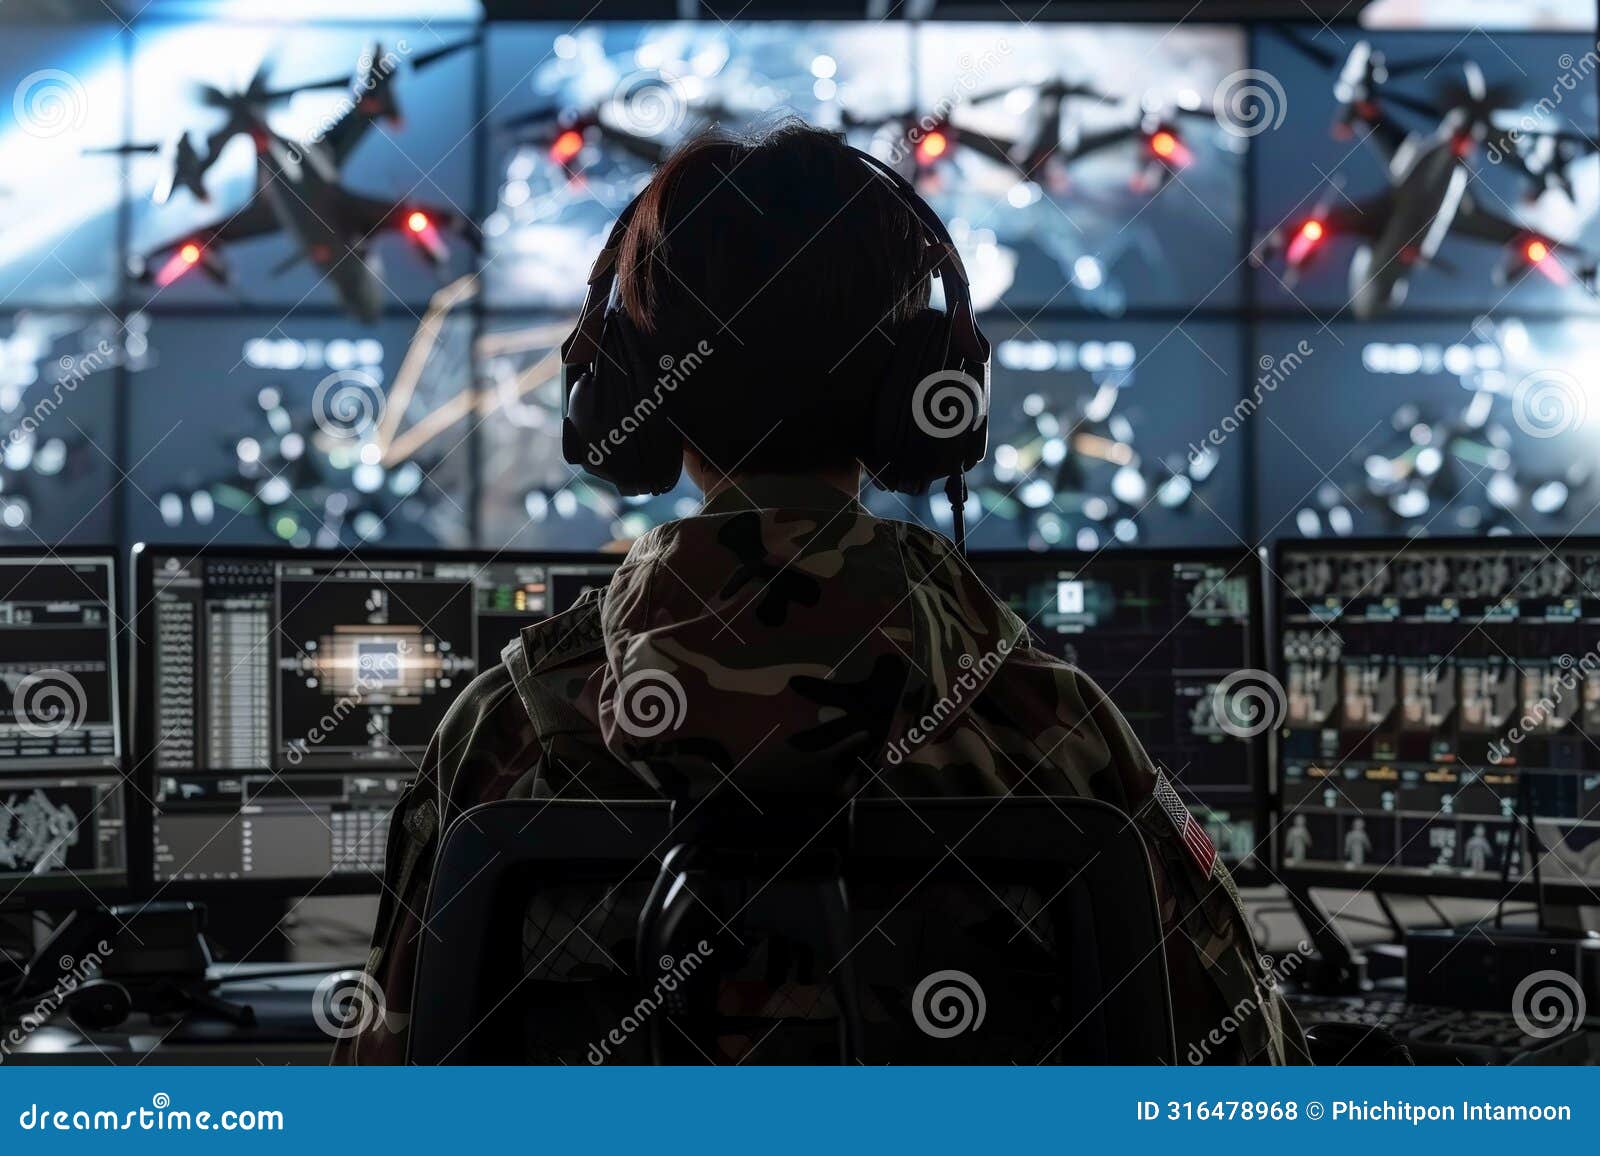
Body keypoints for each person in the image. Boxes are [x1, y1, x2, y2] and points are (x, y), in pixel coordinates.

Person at [336, 120, 1305, 1065]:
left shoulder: (506, 730)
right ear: (925, 394)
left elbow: (383, 1089)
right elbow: (1250, 1079)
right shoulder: (1053, 726)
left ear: (628, 397)